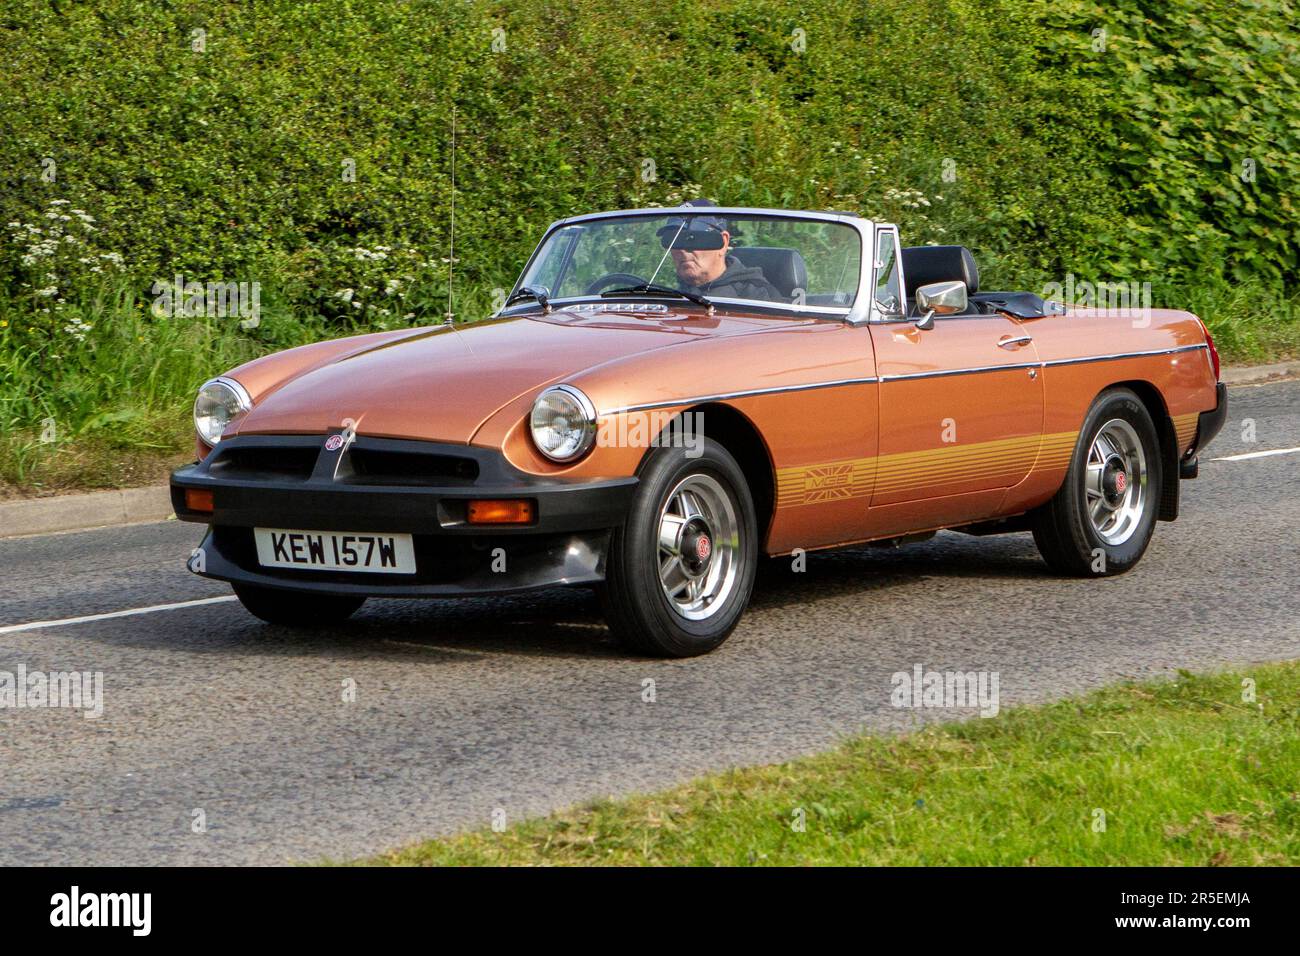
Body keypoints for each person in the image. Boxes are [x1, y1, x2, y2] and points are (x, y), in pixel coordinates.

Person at [656, 200, 782, 302]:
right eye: (673, 240)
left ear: (723, 243)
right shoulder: (663, 295)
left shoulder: (758, 297)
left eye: (692, 239)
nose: (682, 250)